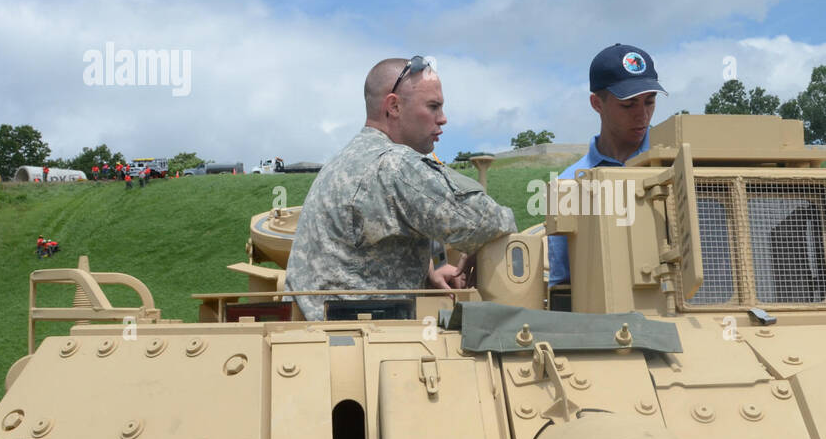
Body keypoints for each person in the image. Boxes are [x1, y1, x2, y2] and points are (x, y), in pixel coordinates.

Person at [284, 55, 517, 321]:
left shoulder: (345, 160)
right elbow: (485, 220)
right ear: (393, 107)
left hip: (320, 337)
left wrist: (428, 271)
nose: (443, 119)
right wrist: (480, 242)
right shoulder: (394, 165)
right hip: (366, 344)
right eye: (433, 107)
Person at [547, 43, 666, 286]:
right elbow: (563, 284)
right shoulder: (568, 183)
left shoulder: (675, 165)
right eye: (628, 104)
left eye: (649, 101)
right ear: (596, 104)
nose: (642, 115)